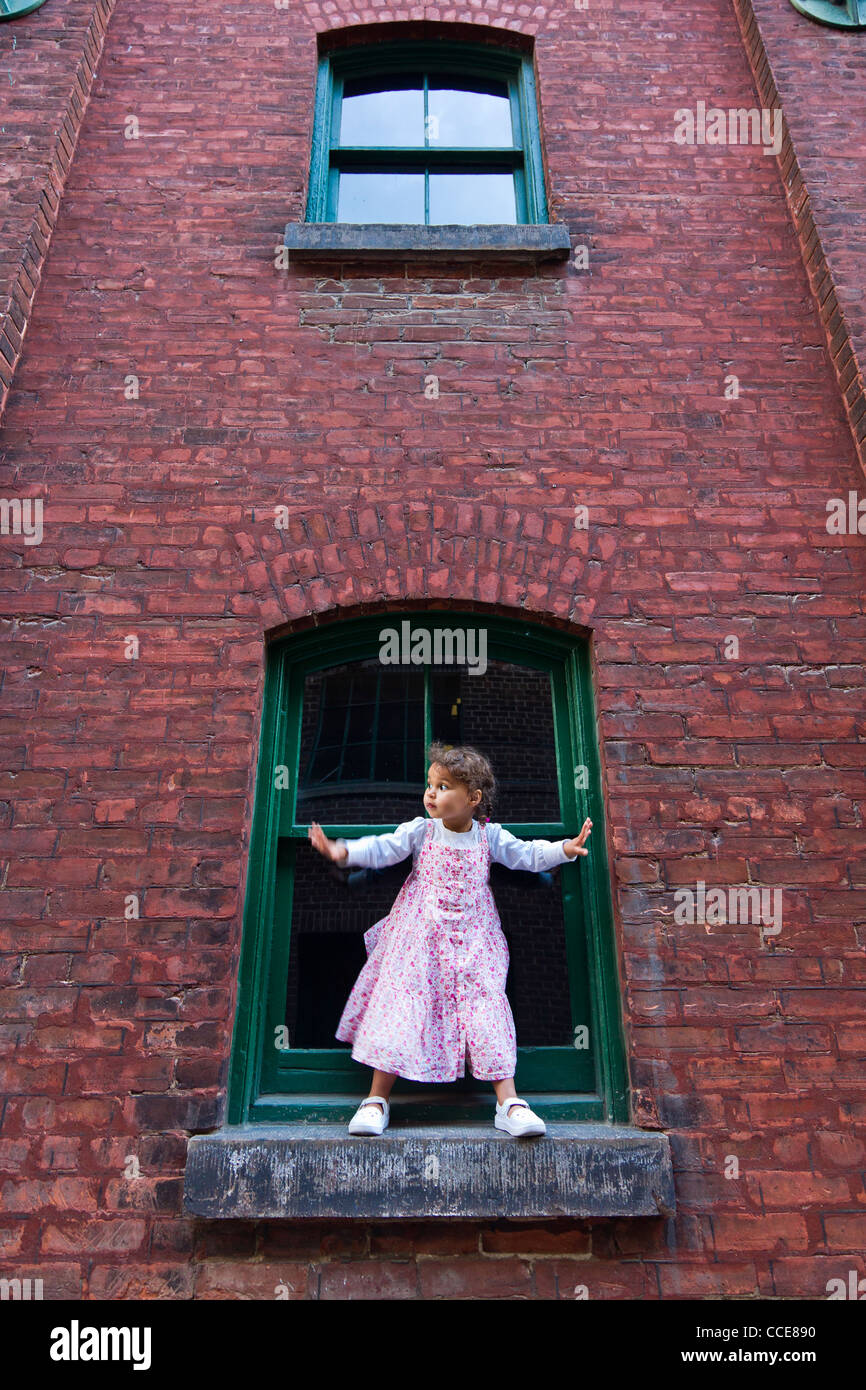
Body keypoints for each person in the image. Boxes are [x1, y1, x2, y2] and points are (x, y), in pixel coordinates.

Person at [308, 741, 592, 1138]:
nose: (431, 793)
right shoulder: (420, 832)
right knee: (403, 1007)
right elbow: (382, 849)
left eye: (443, 786)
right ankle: (376, 1100)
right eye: (430, 784)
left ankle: (508, 1103)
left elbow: (527, 855)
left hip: (475, 941)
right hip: (420, 939)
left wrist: (565, 849)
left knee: (486, 1009)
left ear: (473, 798)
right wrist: (341, 851)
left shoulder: (488, 838)